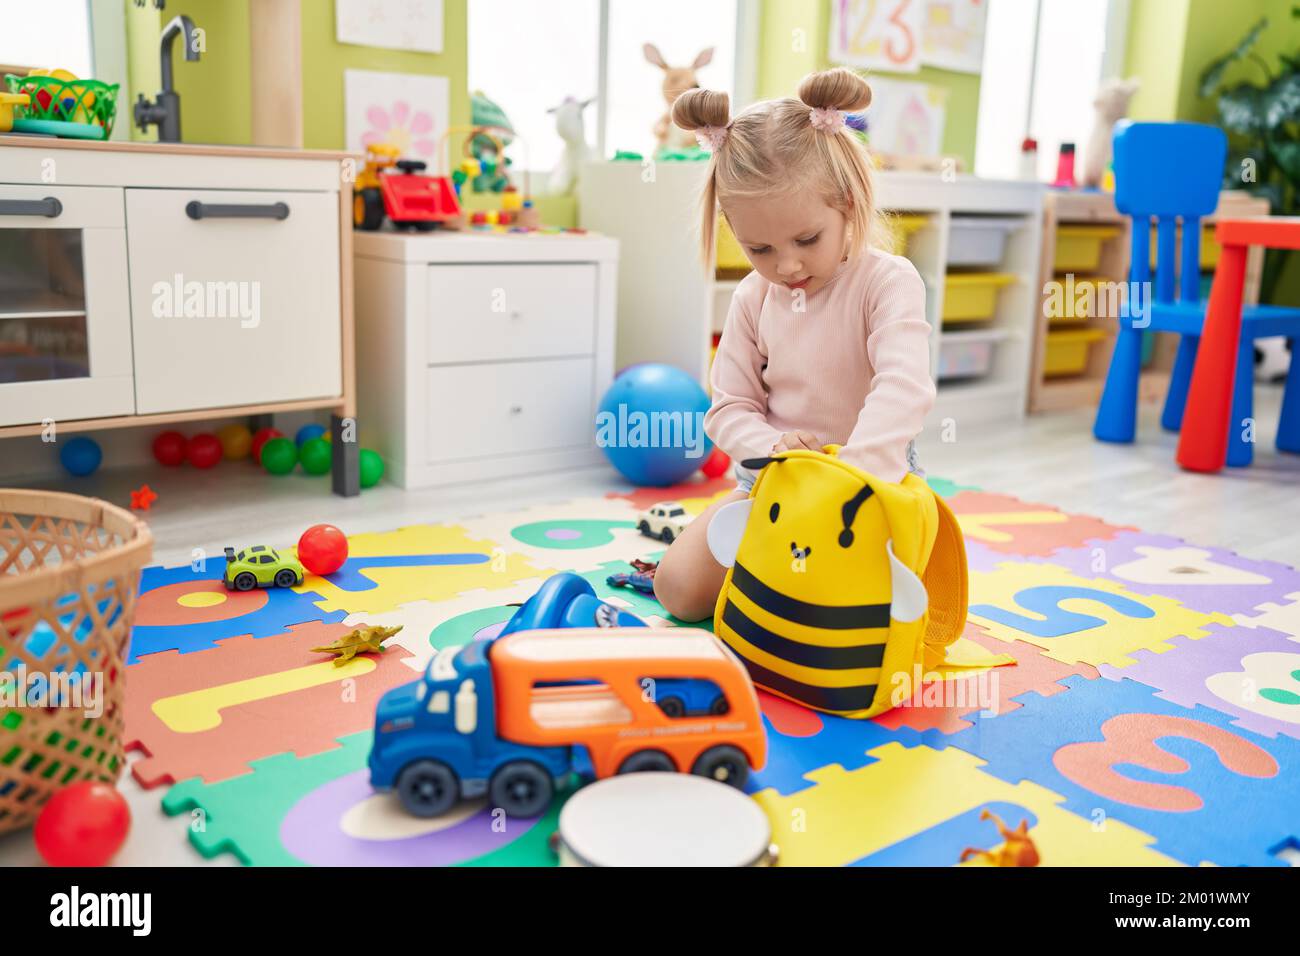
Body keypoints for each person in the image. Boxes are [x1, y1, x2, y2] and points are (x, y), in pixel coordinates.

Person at [653, 67, 937, 622]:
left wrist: (847, 483)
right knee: (678, 589)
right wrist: (773, 446)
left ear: (849, 204)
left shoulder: (888, 281)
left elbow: (903, 390)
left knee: (854, 615)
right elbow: (729, 408)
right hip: (773, 487)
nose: (786, 265)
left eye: (807, 239)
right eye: (759, 248)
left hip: (870, 493)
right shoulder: (754, 298)